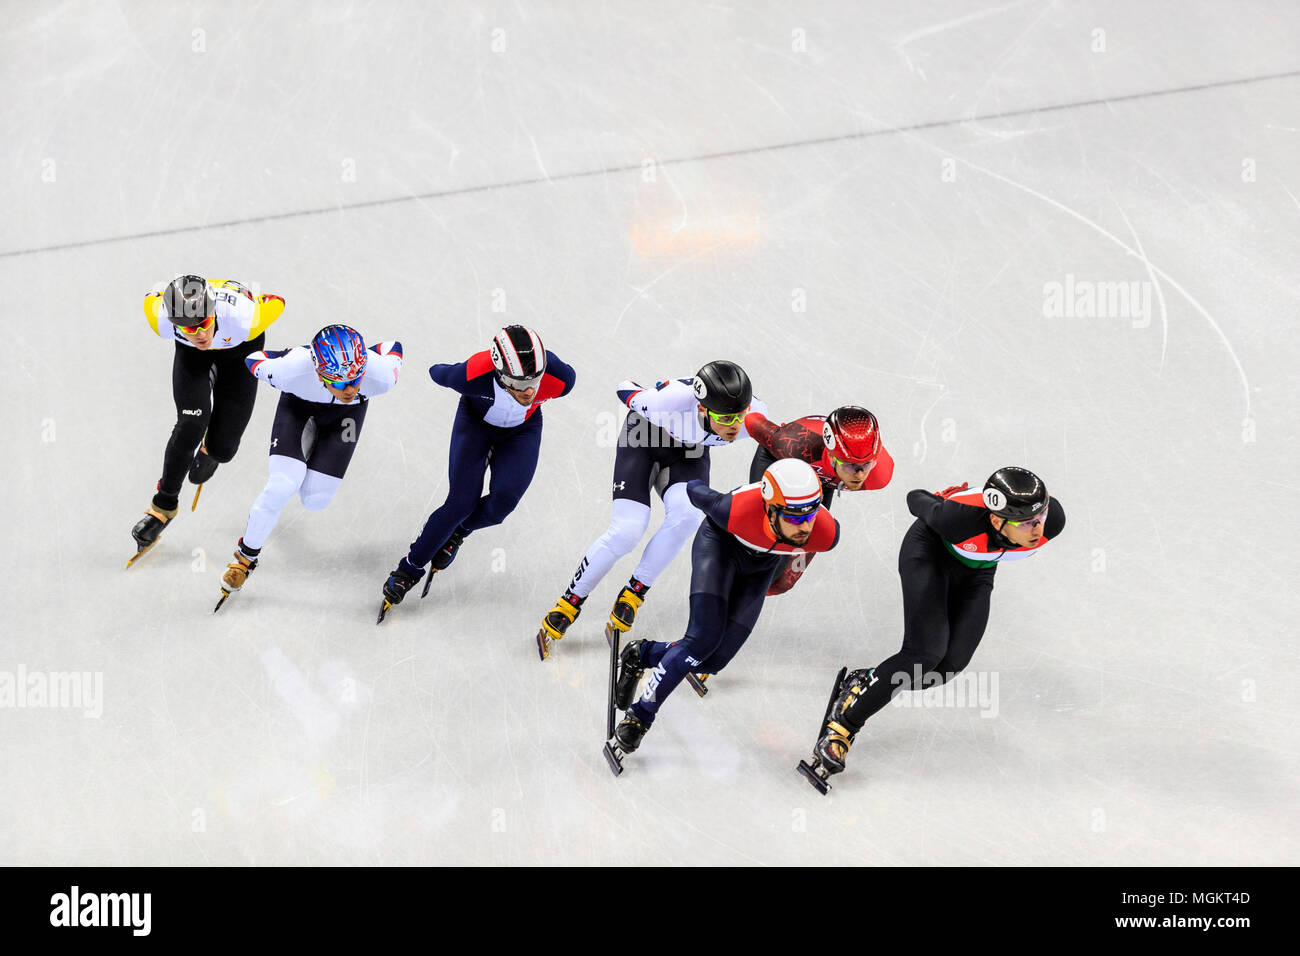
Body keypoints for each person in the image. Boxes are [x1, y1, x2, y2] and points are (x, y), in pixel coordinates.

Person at [800, 466, 1066, 790]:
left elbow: (1035, 524)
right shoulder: (960, 518)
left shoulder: (1052, 521)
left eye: (1039, 518)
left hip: (977, 571)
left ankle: (868, 681)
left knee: (948, 667)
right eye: (1027, 523)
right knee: (922, 654)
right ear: (997, 520)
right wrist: (943, 499)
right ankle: (842, 725)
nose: (1038, 528)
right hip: (929, 553)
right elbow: (914, 499)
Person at [604, 458, 841, 771]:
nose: (806, 526)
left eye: (811, 513)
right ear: (770, 509)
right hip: (720, 548)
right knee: (702, 639)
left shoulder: (825, 533)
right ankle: (639, 716)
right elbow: (695, 490)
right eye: (795, 517)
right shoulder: (735, 509)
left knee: (714, 660)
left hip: (761, 568)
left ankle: (642, 654)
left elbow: (810, 525)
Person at [535, 361, 768, 661]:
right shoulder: (663, 404)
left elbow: (780, 442)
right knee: (627, 531)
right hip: (644, 439)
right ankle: (569, 601)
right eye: (726, 418)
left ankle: (634, 592)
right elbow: (624, 388)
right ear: (702, 409)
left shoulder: (754, 418)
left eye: (740, 415)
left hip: (689, 453)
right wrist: (647, 389)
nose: (736, 426)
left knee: (687, 517)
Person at [378, 325, 576, 621]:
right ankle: (408, 568)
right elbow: (440, 373)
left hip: (522, 430)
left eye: (535, 381)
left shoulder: (560, 378)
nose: (531, 390)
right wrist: (428, 366)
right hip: (475, 424)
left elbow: (544, 382)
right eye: (521, 384)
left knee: (501, 506)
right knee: (461, 502)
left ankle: (459, 532)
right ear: (501, 375)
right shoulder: (471, 375)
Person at [213, 325, 403, 610]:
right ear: (317, 372)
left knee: (315, 500)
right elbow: (253, 359)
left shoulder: (382, 376)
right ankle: (244, 559)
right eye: (339, 384)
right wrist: (296, 355)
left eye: (356, 380)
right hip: (299, 407)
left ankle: (311, 452)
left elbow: (393, 346)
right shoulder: (290, 371)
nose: (350, 390)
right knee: (282, 485)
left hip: (345, 418)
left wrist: (362, 363)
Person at [129, 275, 285, 564]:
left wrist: (245, 294)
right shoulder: (161, 320)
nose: (199, 334)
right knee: (190, 423)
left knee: (224, 449)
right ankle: (163, 506)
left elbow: (276, 302)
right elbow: (153, 294)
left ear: (213, 313)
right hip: (192, 359)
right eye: (187, 328)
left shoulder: (247, 318)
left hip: (241, 353)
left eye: (202, 324)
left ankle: (210, 450)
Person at [744, 404, 893, 596]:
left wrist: (846, 470)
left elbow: (855, 467)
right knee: (772, 543)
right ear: (831, 457)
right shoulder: (794, 444)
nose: (860, 474)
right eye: (850, 466)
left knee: (783, 582)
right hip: (780, 462)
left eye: (867, 464)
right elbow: (752, 420)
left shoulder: (880, 474)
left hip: (822, 483)